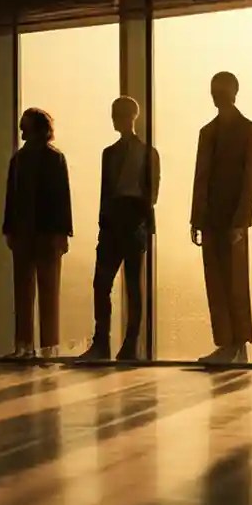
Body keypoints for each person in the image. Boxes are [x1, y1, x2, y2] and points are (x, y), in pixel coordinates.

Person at [77, 96, 161, 362]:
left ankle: (129, 344)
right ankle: (104, 343)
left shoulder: (147, 152)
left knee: (131, 286)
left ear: (129, 117)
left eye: (118, 114)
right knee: (103, 283)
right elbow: (106, 191)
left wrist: (141, 222)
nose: (115, 120)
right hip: (115, 221)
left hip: (132, 219)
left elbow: (152, 193)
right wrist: (104, 222)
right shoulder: (110, 153)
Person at [191, 71, 252, 364]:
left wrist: (242, 220)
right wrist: (196, 218)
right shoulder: (207, 132)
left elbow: (251, 179)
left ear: (233, 92)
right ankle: (226, 343)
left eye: (220, 90)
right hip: (210, 218)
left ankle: (238, 344)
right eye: (213, 90)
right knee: (216, 281)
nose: (215, 95)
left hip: (233, 218)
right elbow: (201, 177)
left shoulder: (249, 131)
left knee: (235, 281)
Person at [3, 108, 73, 360]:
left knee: (32, 291)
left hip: (38, 234)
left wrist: (9, 229)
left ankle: (32, 346)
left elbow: (61, 198)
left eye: (25, 126)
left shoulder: (25, 160)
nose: (21, 131)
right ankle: (40, 347)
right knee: (40, 291)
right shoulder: (38, 159)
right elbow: (12, 197)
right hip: (36, 234)